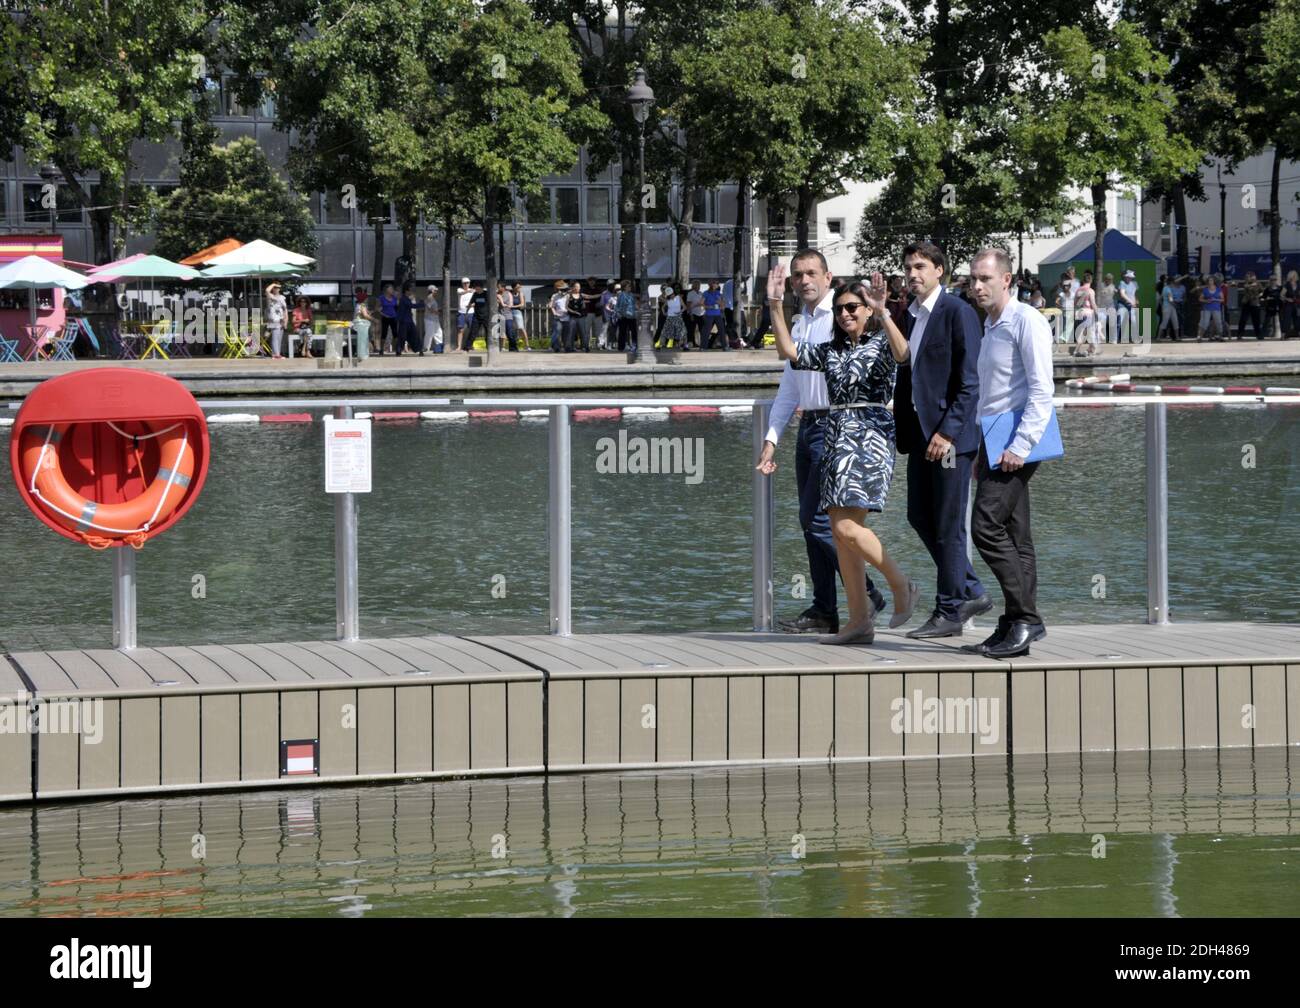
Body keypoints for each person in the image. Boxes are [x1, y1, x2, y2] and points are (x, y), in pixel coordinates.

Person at [764, 265, 918, 645]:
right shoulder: (829, 350)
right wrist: (774, 304)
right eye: (841, 309)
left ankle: (902, 585)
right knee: (839, 531)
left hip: (870, 435)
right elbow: (788, 351)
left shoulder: (880, 342)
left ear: (866, 310)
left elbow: (904, 354)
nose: (846, 313)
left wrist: (884, 310)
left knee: (848, 529)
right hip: (834, 436)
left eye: (853, 307)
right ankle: (858, 621)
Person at [893, 239, 991, 638]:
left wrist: (948, 432)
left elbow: (970, 382)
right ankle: (970, 588)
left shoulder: (957, 311)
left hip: (949, 440)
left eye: (920, 267)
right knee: (919, 516)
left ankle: (950, 609)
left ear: (939, 271)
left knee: (950, 526)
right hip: (919, 436)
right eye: (908, 268)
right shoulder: (911, 316)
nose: (912, 274)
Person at [962, 248, 1054, 659]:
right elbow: (992, 392)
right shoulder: (990, 324)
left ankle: (1027, 619)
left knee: (984, 526)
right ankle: (1015, 622)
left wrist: (1019, 446)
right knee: (1017, 537)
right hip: (994, 437)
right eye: (973, 279)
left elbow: (1041, 390)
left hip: (1018, 440)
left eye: (985, 278)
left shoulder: (1026, 321)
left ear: (1007, 281)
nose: (977, 286)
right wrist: (984, 449)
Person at [1071, 271, 1097, 357]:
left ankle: (1090, 350)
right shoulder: (1090, 291)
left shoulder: (1078, 290)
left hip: (1079, 313)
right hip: (1088, 313)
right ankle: (1077, 351)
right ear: (1091, 281)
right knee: (1085, 333)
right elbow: (1093, 304)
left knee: (1086, 332)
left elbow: (1074, 304)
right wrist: (1097, 312)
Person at [1197, 273, 1225, 341]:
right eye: (1209, 281)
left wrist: (1215, 299)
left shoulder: (1218, 289)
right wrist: (1206, 301)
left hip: (1216, 308)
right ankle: (1200, 337)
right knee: (1205, 323)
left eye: (1211, 280)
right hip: (1207, 308)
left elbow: (1222, 299)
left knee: (1218, 322)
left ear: (1214, 281)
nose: (1210, 282)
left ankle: (1220, 337)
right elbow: (1200, 299)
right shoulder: (1205, 290)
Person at [1235, 271, 1263, 340]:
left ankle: (1258, 335)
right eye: (1246, 277)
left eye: (1248, 277)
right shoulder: (1246, 284)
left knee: (1256, 320)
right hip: (1247, 303)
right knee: (1243, 320)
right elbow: (1245, 287)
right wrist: (1251, 285)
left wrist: (1258, 296)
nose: (1247, 278)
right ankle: (1240, 334)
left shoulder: (1258, 284)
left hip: (1255, 303)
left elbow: (1262, 292)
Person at [700, 281, 726, 350]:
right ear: (711, 285)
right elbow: (701, 303)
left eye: (716, 285)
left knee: (722, 330)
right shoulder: (706, 293)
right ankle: (703, 347)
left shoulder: (719, 293)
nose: (715, 286)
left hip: (718, 314)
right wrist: (709, 307)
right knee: (706, 331)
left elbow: (723, 305)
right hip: (709, 314)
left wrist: (720, 303)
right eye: (714, 285)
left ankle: (725, 346)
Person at [265, 282, 288, 359]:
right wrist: (274, 284)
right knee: (275, 337)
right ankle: (276, 354)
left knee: (279, 338)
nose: (276, 289)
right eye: (275, 288)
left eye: (277, 288)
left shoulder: (282, 297)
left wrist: (286, 320)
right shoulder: (270, 296)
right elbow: (267, 290)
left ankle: (276, 354)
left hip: (281, 320)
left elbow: (285, 310)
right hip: (273, 320)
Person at [395, 281, 419, 355]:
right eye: (411, 289)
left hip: (408, 319)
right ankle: (399, 349)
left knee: (413, 334)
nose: (412, 290)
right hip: (404, 320)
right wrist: (421, 303)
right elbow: (411, 306)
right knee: (402, 336)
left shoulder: (407, 298)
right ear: (407, 290)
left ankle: (417, 348)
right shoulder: (403, 299)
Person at [1116, 269, 1139, 343]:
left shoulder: (1134, 283)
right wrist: (1131, 302)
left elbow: (1134, 294)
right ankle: (1116, 339)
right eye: (1127, 277)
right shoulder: (1122, 283)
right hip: (1122, 304)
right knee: (1120, 321)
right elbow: (1122, 294)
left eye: (1130, 277)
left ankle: (1134, 338)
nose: (1129, 278)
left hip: (1131, 305)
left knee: (1133, 321)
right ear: (1125, 277)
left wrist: (1136, 301)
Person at [1158, 275, 1183, 341]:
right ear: (1171, 282)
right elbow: (1170, 299)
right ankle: (1159, 337)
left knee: (1173, 321)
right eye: (1173, 282)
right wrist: (1175, 306)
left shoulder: (1165, 288)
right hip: (1169, 307)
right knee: (1166, 322)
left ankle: (1176, 337)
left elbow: (1160, 299)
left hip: (1167, 307)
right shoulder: (1168, 289)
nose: (1174, 284)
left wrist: (1162, 306)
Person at [377, 282, 399, 354]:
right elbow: (378, 308)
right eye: (391, 289)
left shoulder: (394, 298)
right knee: (384, 333)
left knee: (395, 333)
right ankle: (381, 349)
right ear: (386, 290)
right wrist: (383, 314)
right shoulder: (381, 298)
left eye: (392, 289)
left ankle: (397, 349)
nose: (392, 290)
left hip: (394, 317)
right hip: (385, 317)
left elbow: (397, 306)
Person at [1096, 272, 1116, 345]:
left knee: (1112, 322)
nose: (1110, 281)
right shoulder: (1101, 285)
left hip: (1110, 306)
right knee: (1101, 323)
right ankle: (1100, 339)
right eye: (1108, 279)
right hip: (1102, 307)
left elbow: (1113, 294)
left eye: (1111, 279)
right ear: (1105, 279)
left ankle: (1113, 339)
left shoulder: (1113, 286)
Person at [616, 281, 637, 351]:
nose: (630, 287)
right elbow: (619, 306)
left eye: (630, 286)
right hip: (623, 316)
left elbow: (634, 305)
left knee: (634, 332)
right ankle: (621, 347)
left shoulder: (631, 295)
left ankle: (634, 346)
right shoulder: (621, 295)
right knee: (622, 332)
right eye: (629, 286)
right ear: (624, 287)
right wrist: (620, 314)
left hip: (632, 316)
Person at [351, 287, 372, 358]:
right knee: (363, 339)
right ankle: (362, 353)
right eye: (366, 298)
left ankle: (357, 352)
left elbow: (363, 313)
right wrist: (374, 319)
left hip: (356, 325)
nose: (367, 299)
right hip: (361, 326)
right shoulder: (363, 305)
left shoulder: (358, 305)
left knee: (360, 340)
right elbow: (365, 315)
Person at [566, 282, 587, 352]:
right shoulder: (569, 295)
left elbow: (591, 296)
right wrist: (574, 312)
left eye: (578, 286)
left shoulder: (582, 295)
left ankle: (585, 347)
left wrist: (601, 294)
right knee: (571, 332)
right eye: (576, 286)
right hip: (572, 317)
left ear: (580, 288)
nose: (577, 288)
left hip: (581, 317)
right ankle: (569, 347)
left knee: (583, 332)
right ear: (573, 287)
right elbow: (566, 307)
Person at [685, 281, 706, 347]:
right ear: (694, 286)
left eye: (699, 285)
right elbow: (688, 304)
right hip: (693, 313)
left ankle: (703, 343)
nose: (698, 286)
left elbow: (704, 303)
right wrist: (690, 314)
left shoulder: (701, 293)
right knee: (691, 329)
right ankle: (690, 343)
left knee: (702, 329)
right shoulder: (690, 293)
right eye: (697, 285)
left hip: (701, 313)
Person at [600, 282, 618, 350]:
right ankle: (602, 345)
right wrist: (603, 315)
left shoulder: (616, 293)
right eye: (610, 285)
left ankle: (611, 344)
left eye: (613, 285)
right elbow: (602, 305)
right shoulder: (604, 294)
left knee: (613, 331)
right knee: (604, 330)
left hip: (614, 316)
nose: (612, 286)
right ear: (607, 286)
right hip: (606, 314)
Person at [456, 277, 472, 348]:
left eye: (467, 283)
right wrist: (469, 291)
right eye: (464, 283)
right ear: (462, 284)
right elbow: (460, 293)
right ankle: (459, 346)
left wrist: (472, 305)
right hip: (461, 312)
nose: (466, 284)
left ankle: (470, 345)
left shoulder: (472, 291)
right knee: (460, 330)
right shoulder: (459, 289)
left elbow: (475, 301)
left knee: (472, 330)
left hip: (471, 312)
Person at [511, 283, 528, 348]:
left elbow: (522, 304)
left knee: (521, 328)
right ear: (514, 287)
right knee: (510, 328)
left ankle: (526, 345)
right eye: (518, 287)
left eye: (520, 287)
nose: (519, 288)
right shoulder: (510, 293)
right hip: (509, 312)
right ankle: (508, 345)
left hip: (517, 311)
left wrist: (513, 306)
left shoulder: (520, 294)